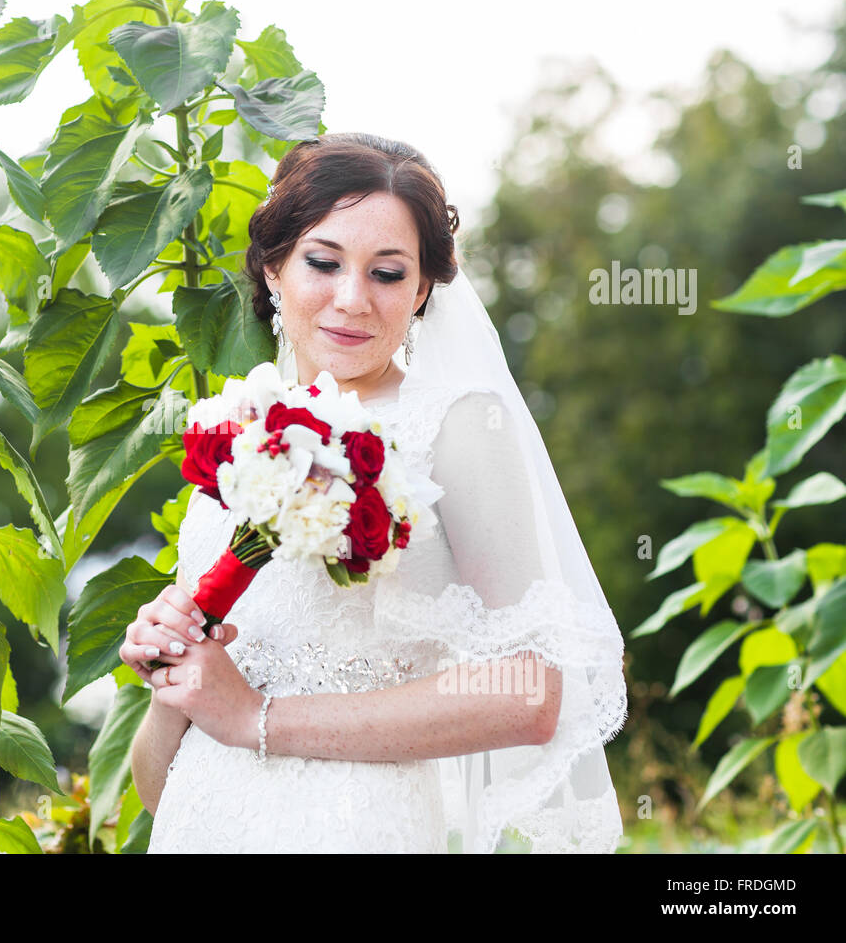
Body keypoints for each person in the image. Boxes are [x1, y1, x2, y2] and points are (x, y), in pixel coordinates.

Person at [120, 132, 628, 853]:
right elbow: (157, 786)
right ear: (273, 268)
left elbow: (530, 693)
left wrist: (257, 718)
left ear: (422, 290)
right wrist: (176, 670)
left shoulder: (457, 426)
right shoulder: (235, 436)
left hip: (356, 829)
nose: (352, 300)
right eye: (323, 263)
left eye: (388, 274)